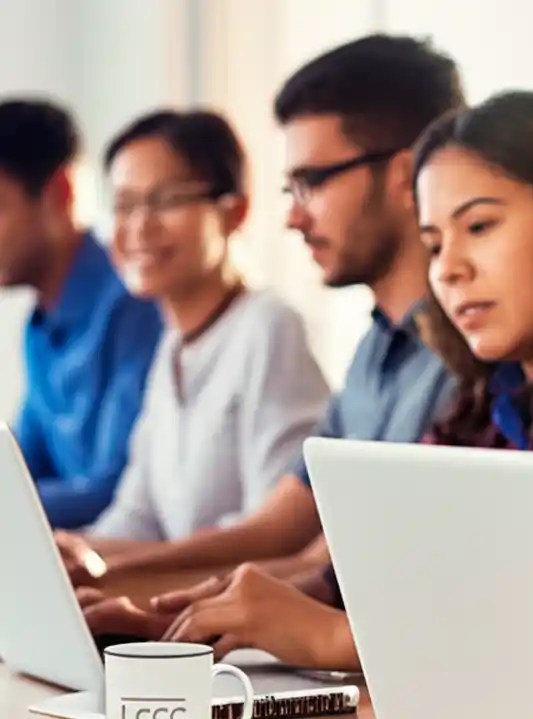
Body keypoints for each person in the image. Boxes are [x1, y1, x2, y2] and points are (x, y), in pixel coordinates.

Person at [90, 90, 533, 669]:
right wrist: (178, 617)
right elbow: (366, 575)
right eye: (434, 242)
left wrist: (336, 640)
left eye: (480, 227)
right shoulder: (489, 404)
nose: (450, 269)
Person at [59, 35, 460, 584]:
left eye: (313, 183)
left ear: (403, 175)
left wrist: (131, 584)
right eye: (125, 205)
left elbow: (353, 569)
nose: (293, 218)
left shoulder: (467, 352)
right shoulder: (373, 352)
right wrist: (90, 568)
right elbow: (287, 536)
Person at [59, 110, 331, 546]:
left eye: (165, 201)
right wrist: (70, 552)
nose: (140, 227)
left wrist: (114, 566)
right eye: (125, 205)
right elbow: (137, 514)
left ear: (233, 212)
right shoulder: (172, 345)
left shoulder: (268, 327)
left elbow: (275, 530)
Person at [0, 99, 163, 529]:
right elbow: (22, 466)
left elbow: (113, 487)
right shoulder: (39, 326)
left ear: (61, 193)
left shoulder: (136, 301)